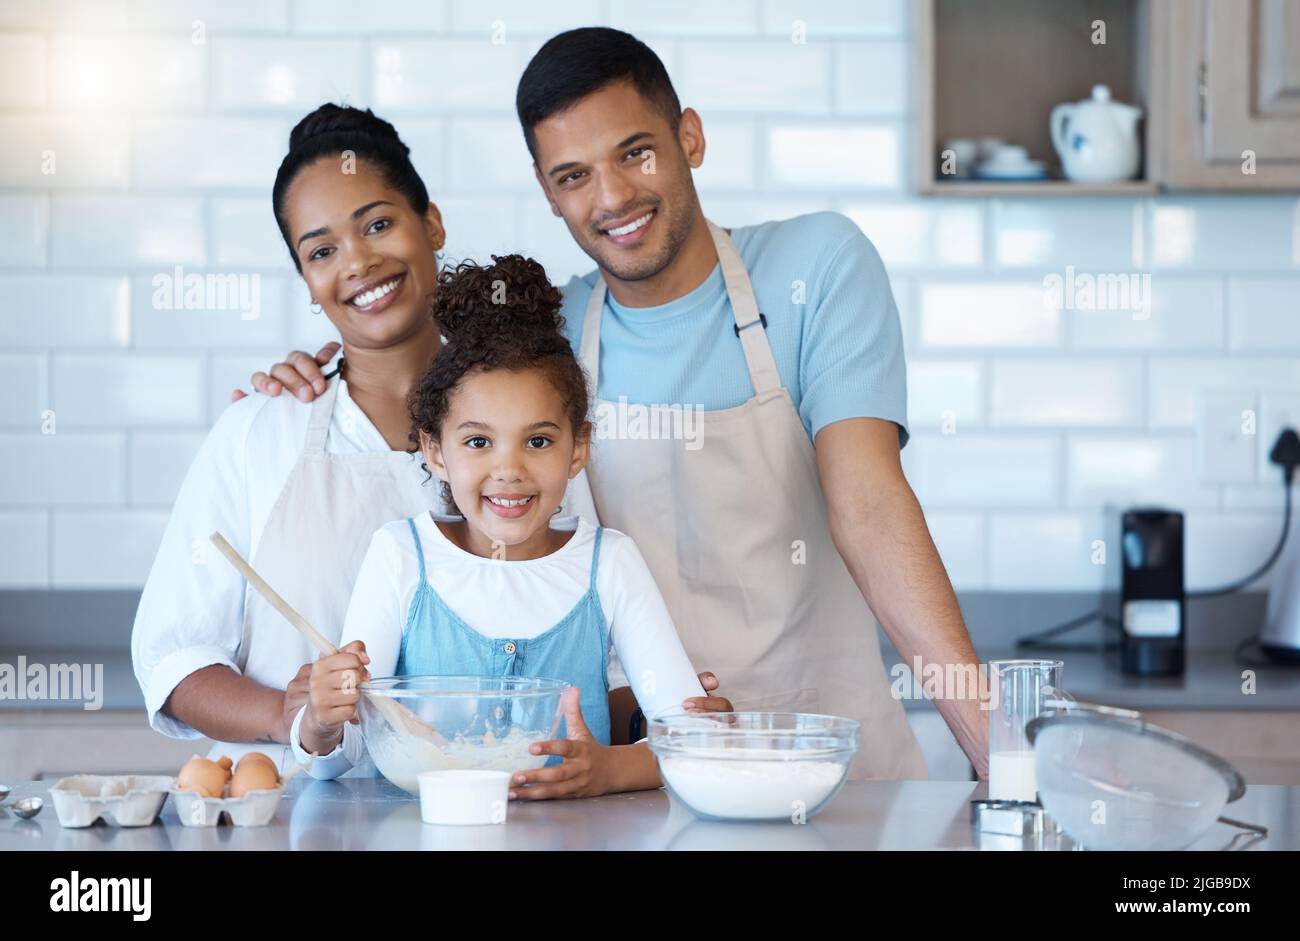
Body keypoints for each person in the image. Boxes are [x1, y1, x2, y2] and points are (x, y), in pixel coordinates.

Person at [245, 29, 991, 780]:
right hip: (645, 778)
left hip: (832, 765)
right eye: (573, 174)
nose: (612, 197)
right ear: (547, 191)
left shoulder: (816, 267)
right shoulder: (558, 333)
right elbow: (444, 379)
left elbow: (869, 507)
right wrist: (319, 372)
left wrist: (993, 747)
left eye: (635, 152)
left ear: (689, 137)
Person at [133, 103, 726, 775]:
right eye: (322, 250)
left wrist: (665, 724)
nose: (357, 262)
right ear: (306, 279)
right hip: (287, 804)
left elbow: (592, 651)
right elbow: (172, 656)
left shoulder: (533, 425)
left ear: (432, 224)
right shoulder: (258, 431)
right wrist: (287, 713)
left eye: (379, 224)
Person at [295, 255, 707, 799]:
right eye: (478, 442)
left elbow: (693, 742)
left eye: (538, 441)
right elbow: (337, 762)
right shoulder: (400, 556)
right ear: (435, 451)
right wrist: (320, 722)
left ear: (578, 447)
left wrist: (609, 770)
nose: (509, 470)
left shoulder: (609, 563)